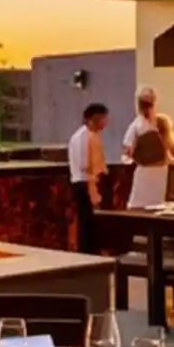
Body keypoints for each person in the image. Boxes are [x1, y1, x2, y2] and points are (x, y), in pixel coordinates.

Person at [122, 86, 174, 209]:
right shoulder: (136, 127)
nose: (147, 107)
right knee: (139, 207)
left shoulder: (162, 123)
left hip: (160, 172)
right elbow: (127, 153)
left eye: (149, 103)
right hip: (144, 173)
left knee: (158, 206)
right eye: (144, 103)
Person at [68, 102, 109, 254]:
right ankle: (86, 252)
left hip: (92, 181)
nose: (104, 122)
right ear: (92, 119)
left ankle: (93, 250)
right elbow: (85, 165)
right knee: (86, 221)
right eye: (102, 119)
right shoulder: (82, 137)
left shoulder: (94, 136)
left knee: (93, 222)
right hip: (84, 182)